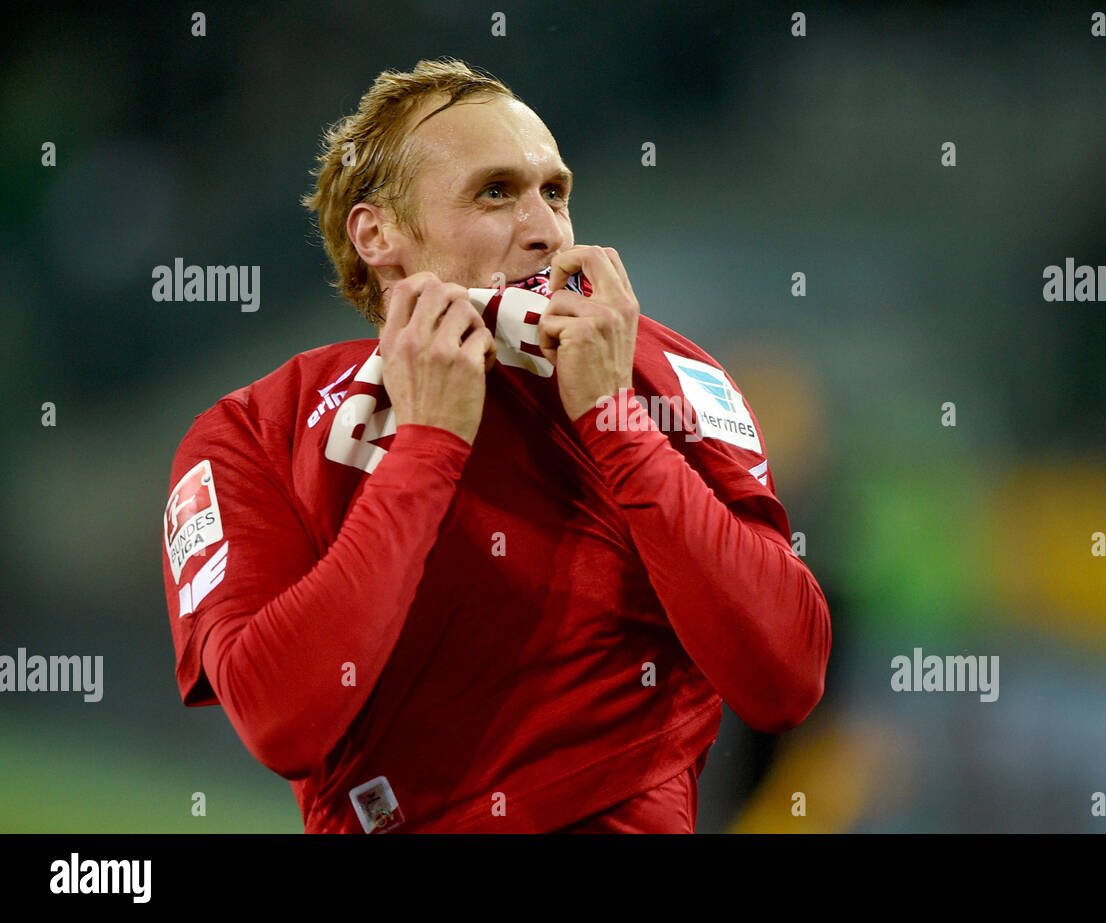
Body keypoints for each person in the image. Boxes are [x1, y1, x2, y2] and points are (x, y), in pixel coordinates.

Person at [160, 57, 832, 833]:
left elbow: (786, 676)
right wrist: (426, 446)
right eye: (496, 193)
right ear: (377, 233)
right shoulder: (255, 431)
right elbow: (279, 719)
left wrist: (614, 420)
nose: (546, 230)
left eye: (556, 192)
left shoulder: (664, 373)